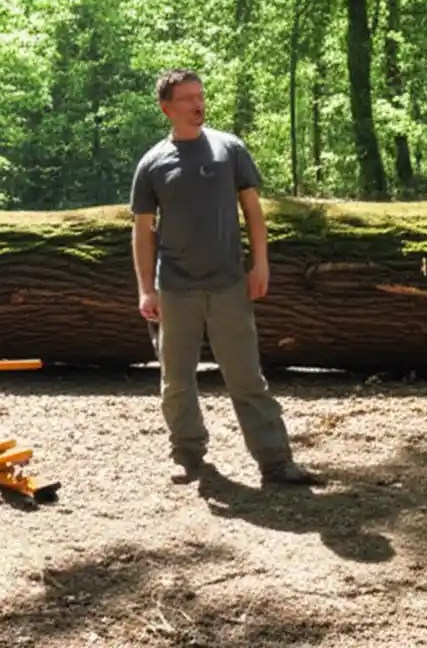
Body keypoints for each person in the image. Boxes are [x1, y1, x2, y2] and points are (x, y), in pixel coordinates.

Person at [128, 68, 322, 487]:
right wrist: (146, 288)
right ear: (167, 108)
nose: (198, 104)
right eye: (187, 98)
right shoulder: (152, 164)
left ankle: (275, 461)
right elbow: (143, 232)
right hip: (175, 287)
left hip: (229, 283)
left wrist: (260, 264)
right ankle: (188, 456)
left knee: (246, 376)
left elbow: (253, 211)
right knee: (176, 381)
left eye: (200, 96)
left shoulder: (228, 149)